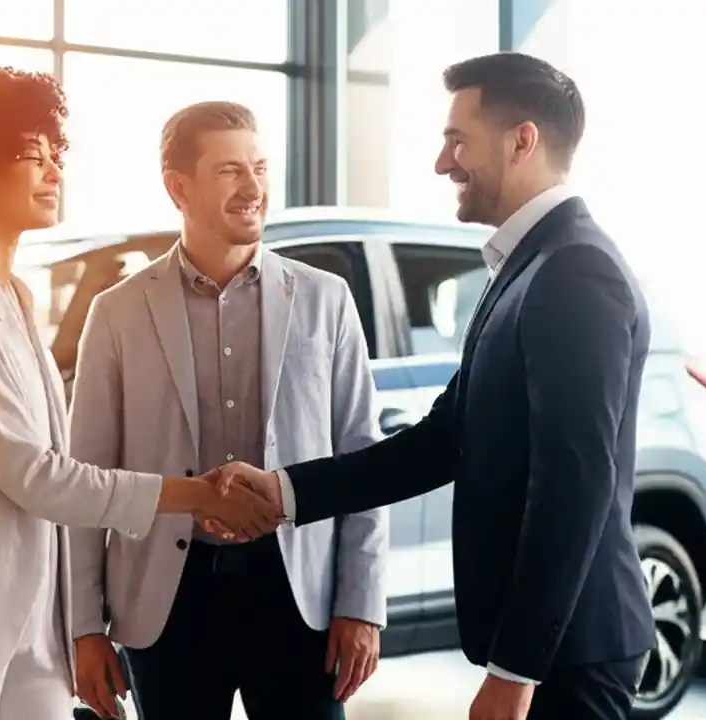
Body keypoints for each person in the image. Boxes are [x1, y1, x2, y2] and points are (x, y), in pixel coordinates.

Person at [214, 53, 657, 720]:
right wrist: (284, 492)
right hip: (555, 649)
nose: (442, 163)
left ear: (522, 140)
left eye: (457, 140)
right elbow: (441, 442)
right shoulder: (524, 269)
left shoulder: (573, 271)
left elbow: (574, 486)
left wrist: (516, 672)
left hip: (571, 652)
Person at [0, 65, 282, 720]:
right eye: (33, 157)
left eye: (54, 153)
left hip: (29, 628)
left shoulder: (12, 298)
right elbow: (37, 476)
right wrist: (195, 494)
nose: (55, 171)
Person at [68, 101, 390, 720]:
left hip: (302, 598)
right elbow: (89, 482)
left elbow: (363, 461)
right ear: (178, 188)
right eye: (229, 171)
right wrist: (84, 627)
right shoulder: (117, 313)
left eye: (261, 168)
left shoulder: (327, 300)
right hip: (166, 603)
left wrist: (361, 604)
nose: (253, 188)